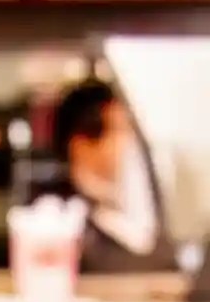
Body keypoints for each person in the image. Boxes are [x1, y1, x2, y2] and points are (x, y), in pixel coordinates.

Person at [54, 80, 179, 273]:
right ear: (81, 145)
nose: (130, 144)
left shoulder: (156, 212)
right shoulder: (61, 227)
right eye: (120, 131)